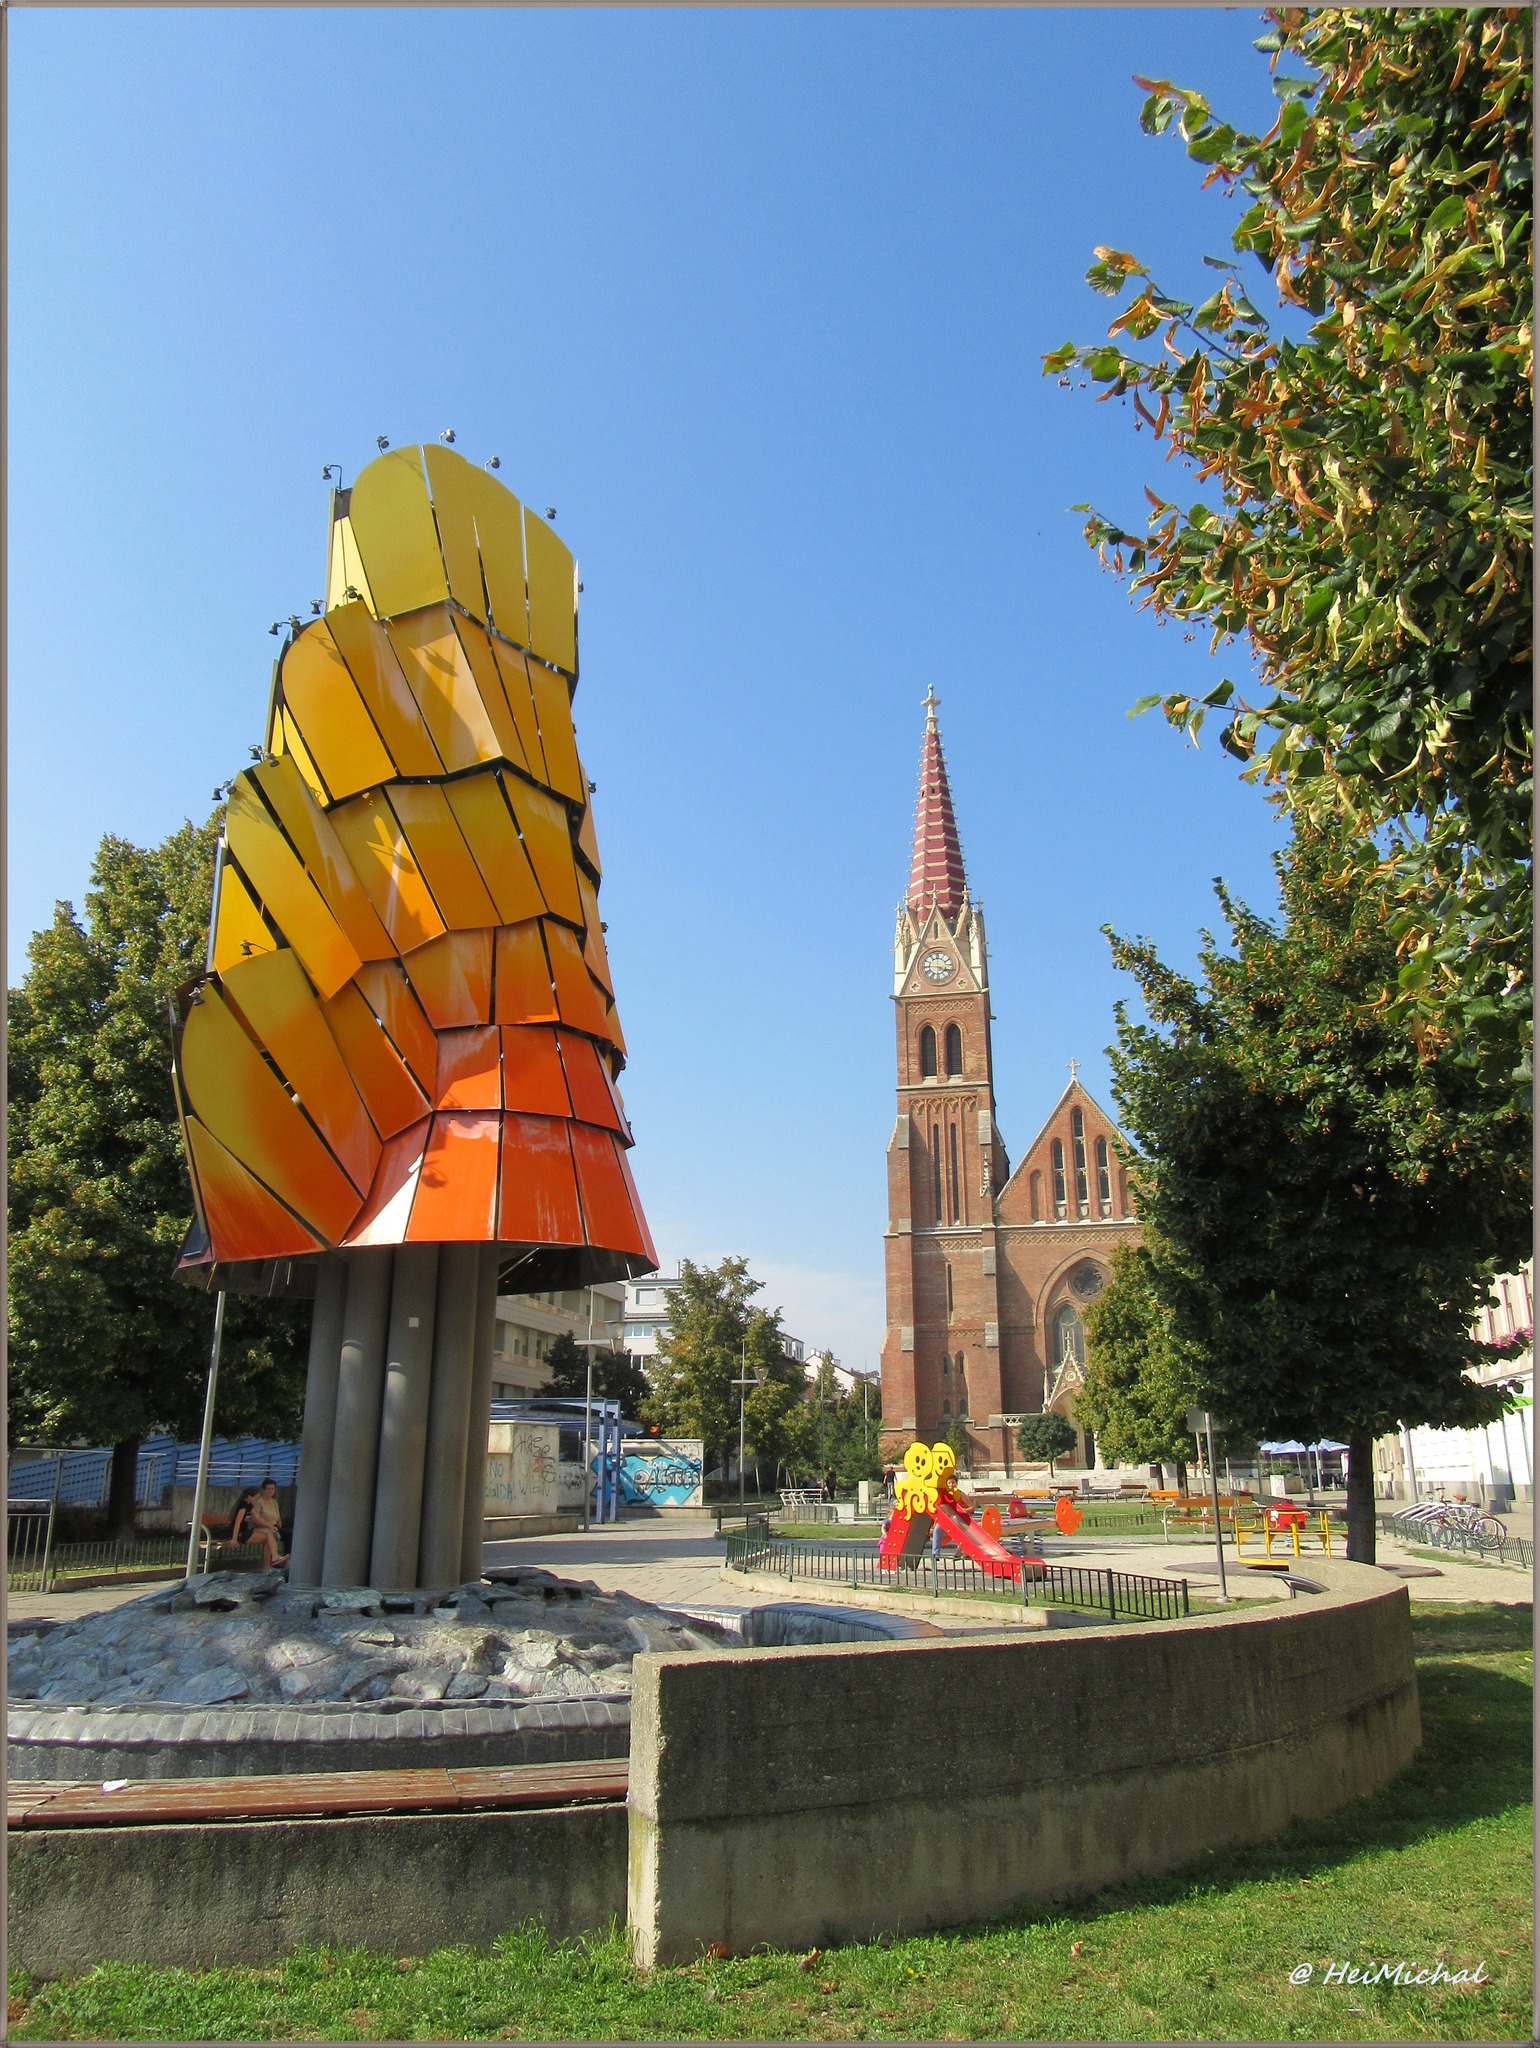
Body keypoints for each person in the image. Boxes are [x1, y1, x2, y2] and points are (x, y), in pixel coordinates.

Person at [234, 1479, 288, 1567]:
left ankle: (272, 1561)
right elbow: (238, 1523)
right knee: (270, 1536)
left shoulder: (251, 1505)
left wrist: (276, 1527)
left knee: (276, 1535)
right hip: (248, 1531)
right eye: (255, 1498)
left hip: (272, 1527)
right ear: (249, 1497)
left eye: (272, 1489)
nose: (255, 1499)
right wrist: (234, 1539)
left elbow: (258, 1517)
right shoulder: (245, 1505)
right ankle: (272, 1559)